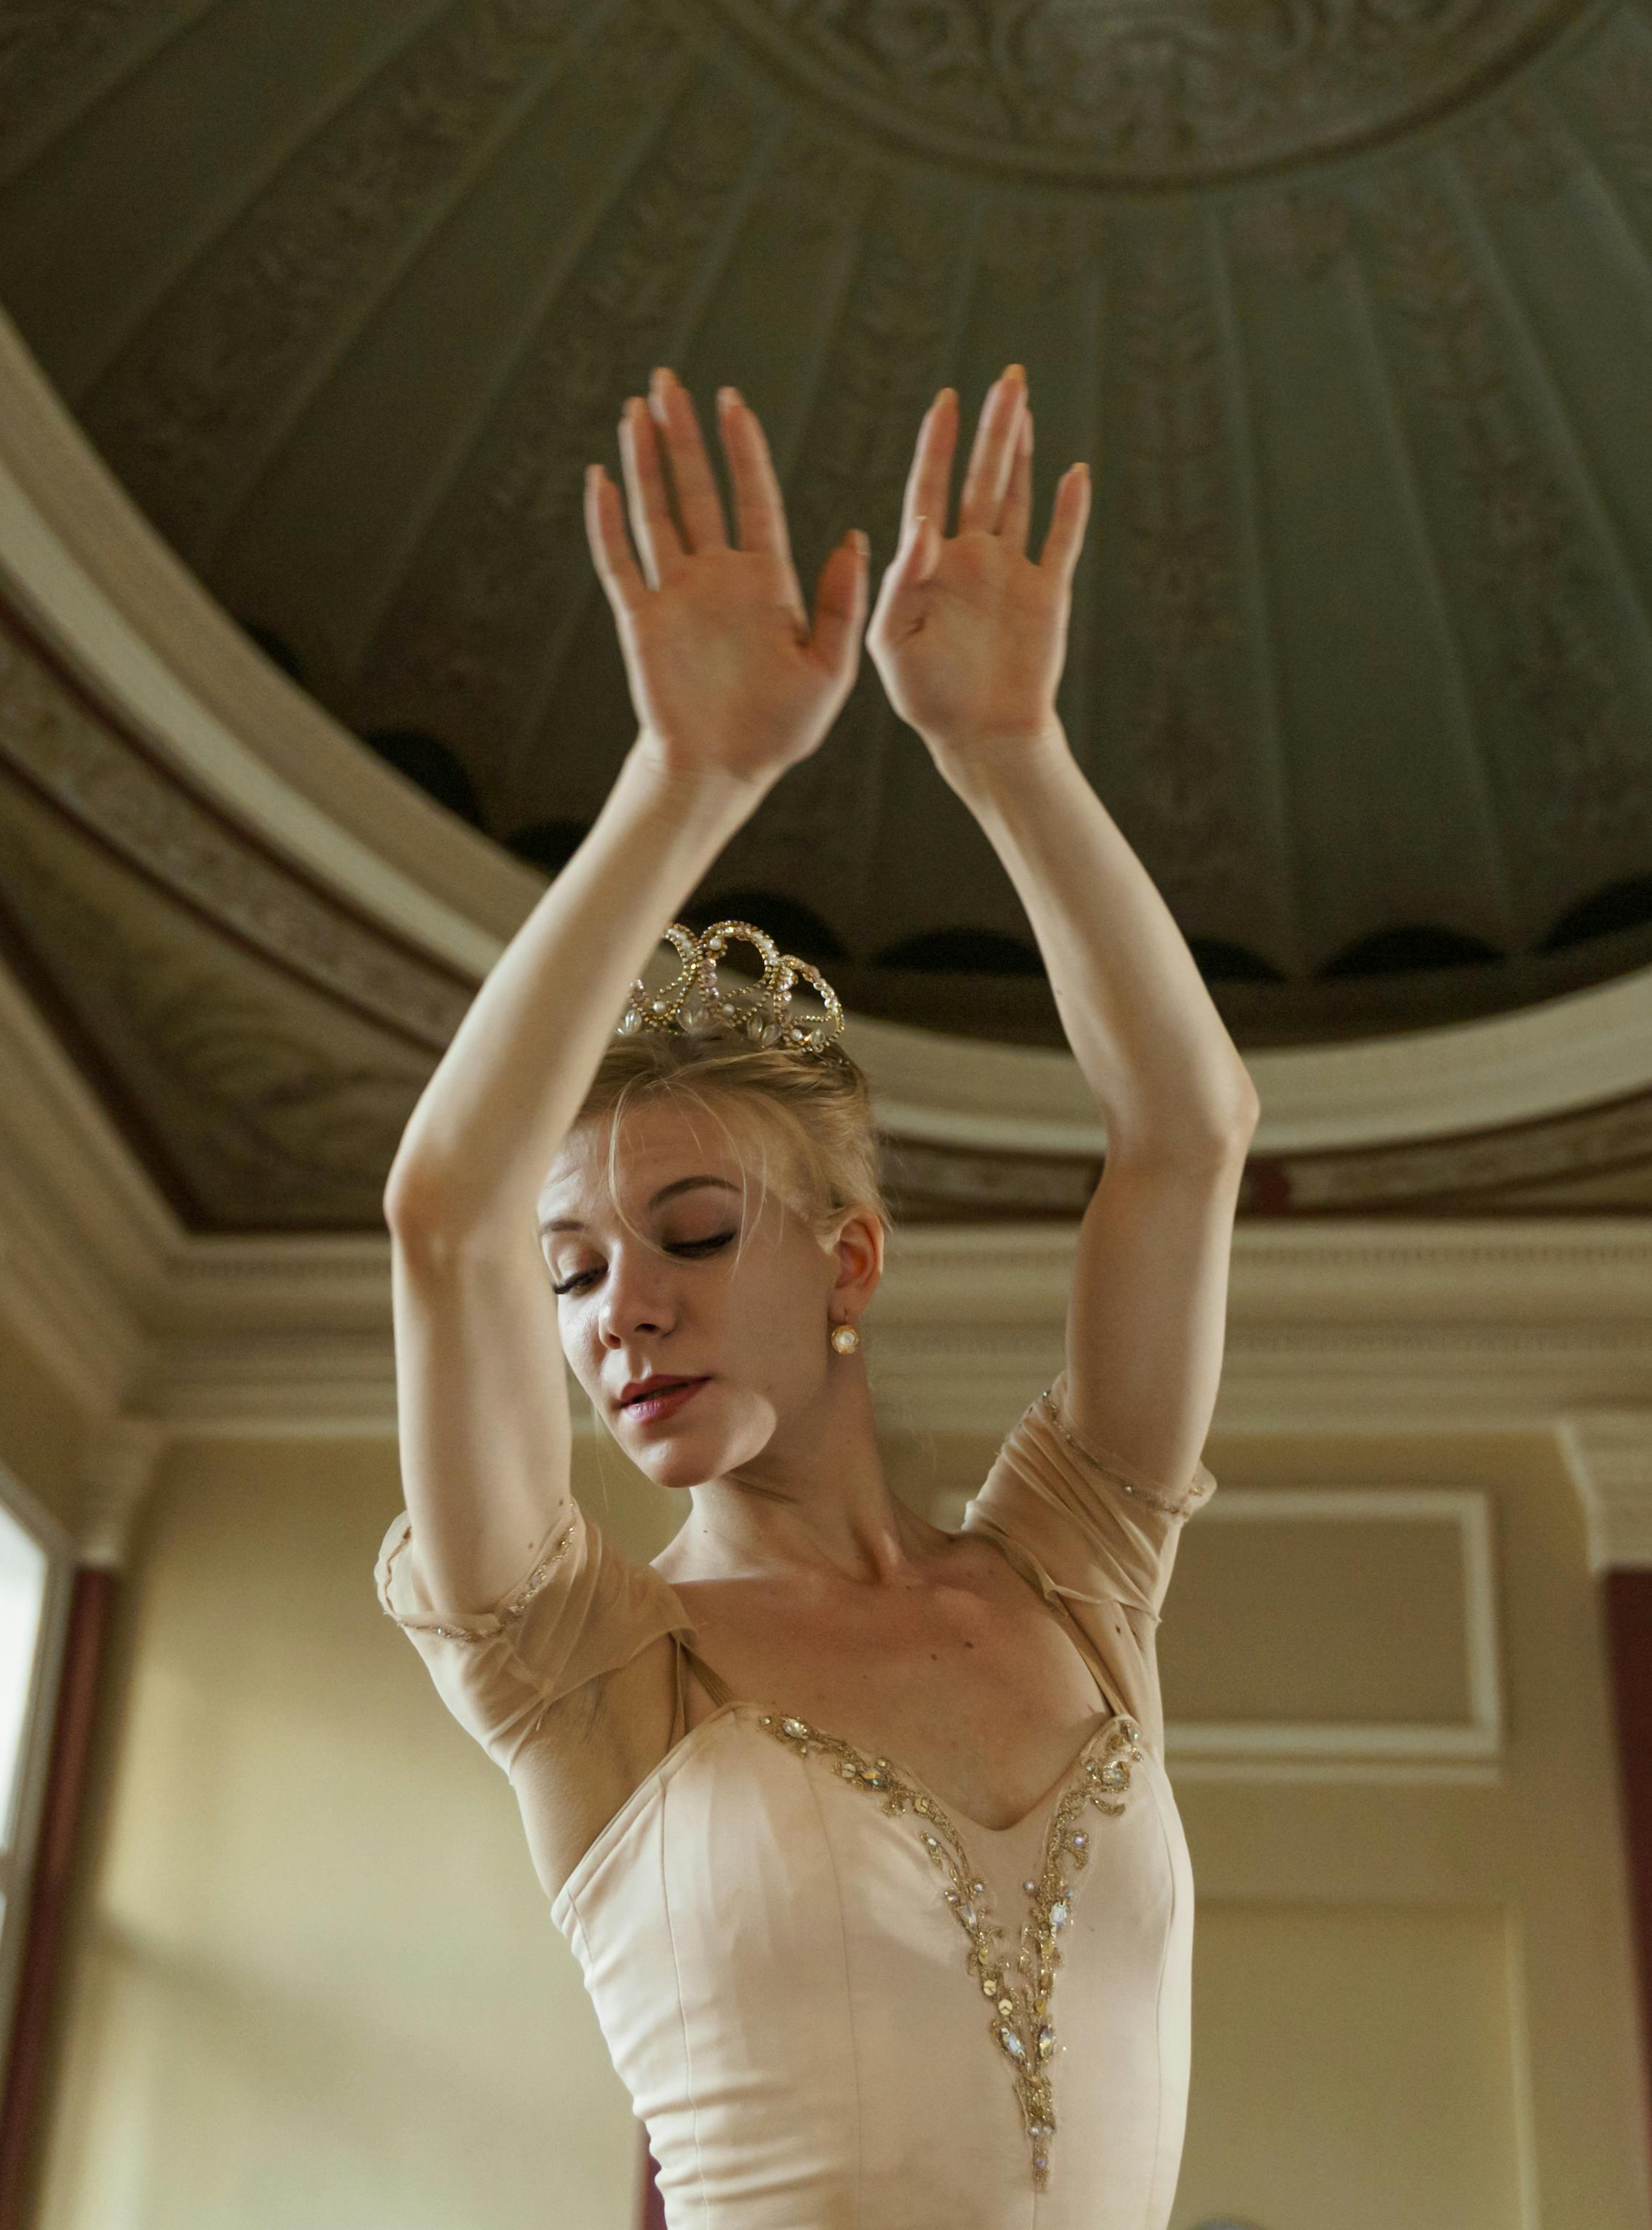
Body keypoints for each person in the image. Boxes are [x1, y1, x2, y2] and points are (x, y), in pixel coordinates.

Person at [379, 365, 1257, 2228]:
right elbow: (441, 1216)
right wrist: (684, 779)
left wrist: (1008, 752)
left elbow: (1188, 1132)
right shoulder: (586, 1661)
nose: (619, 1311)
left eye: (693, 1234)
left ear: (846, 1258)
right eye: (575, 1271)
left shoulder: (1076, 1575)